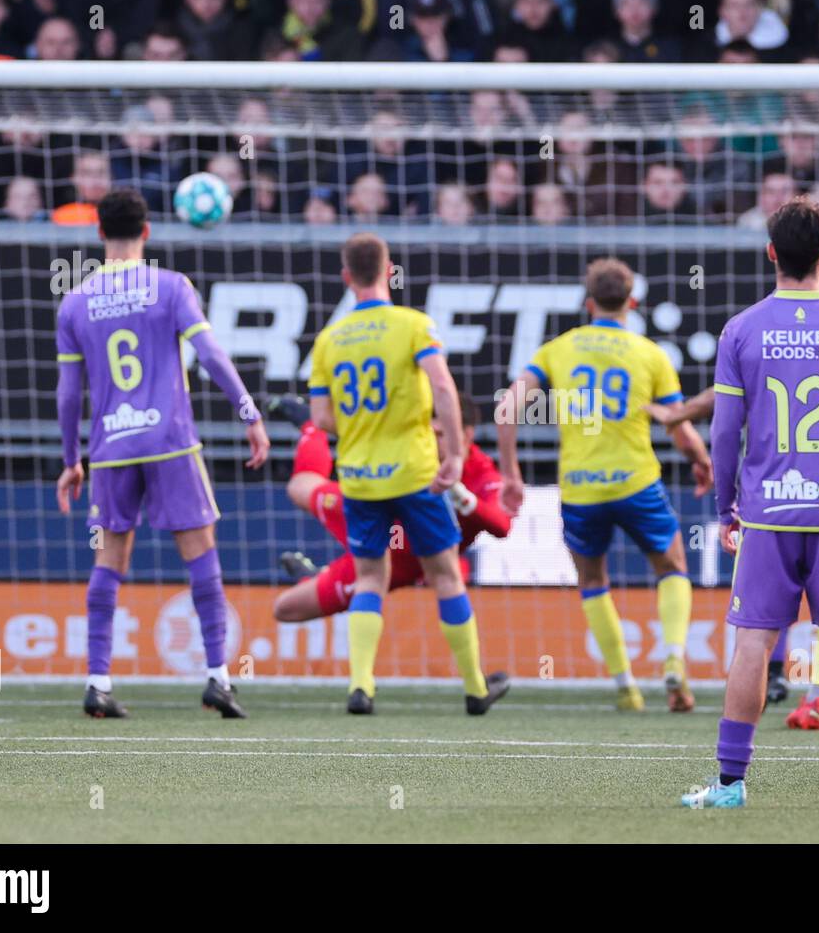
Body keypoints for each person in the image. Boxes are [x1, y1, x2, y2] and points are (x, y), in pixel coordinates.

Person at [680, 198, 819, 810]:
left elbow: (724, 432)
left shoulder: (741, 329)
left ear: (771, 252)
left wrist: (726, 509)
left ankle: (730, 786)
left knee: (754, 639)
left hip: (765, 514)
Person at [55, 188, 270, 719]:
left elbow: (66, 393)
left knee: (110, 559)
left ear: (99, 233)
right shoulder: (170, 287)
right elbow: (212, 355)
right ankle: (218, 678)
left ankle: (98, 682)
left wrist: (70, 459)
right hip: (169, 440)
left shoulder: (75, 302)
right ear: (146, 232)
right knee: (200, 550)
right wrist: (249, 413)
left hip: (110, 448)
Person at [496, 258, 713, 712]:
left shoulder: (559, 349)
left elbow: (507, 408)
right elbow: (679, 427)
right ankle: (673, 659)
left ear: (588, 302)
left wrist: (512, 473)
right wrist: (700, 461)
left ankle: (625, 685)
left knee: (593, 579)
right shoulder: (649, 354)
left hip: (580, 490)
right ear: (631, 302)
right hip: (636, 482)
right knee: (672, 566)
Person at [306, 233, 509, 716]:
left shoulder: (328, 340)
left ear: (345, 276)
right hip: (416, 476)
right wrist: (455, 453)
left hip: (358, 478)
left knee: (370, 578)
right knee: (445, 577)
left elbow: (321, 417)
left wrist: (363, 426)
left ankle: (361, 686)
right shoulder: (414, 325)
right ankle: (475, 688)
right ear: (389, 269)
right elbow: (442, 383)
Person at [268, 392, 511, 634]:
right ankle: (311, 426)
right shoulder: (414, 453)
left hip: (409, 564)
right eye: (428, 433)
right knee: (299, 489)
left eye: (440, 434)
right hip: (377, 530)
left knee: (288, 607)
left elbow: (501, 526)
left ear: (466, 436)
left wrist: (457, 491)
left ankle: (473, 673)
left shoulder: (483, 474)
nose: (431, 442)